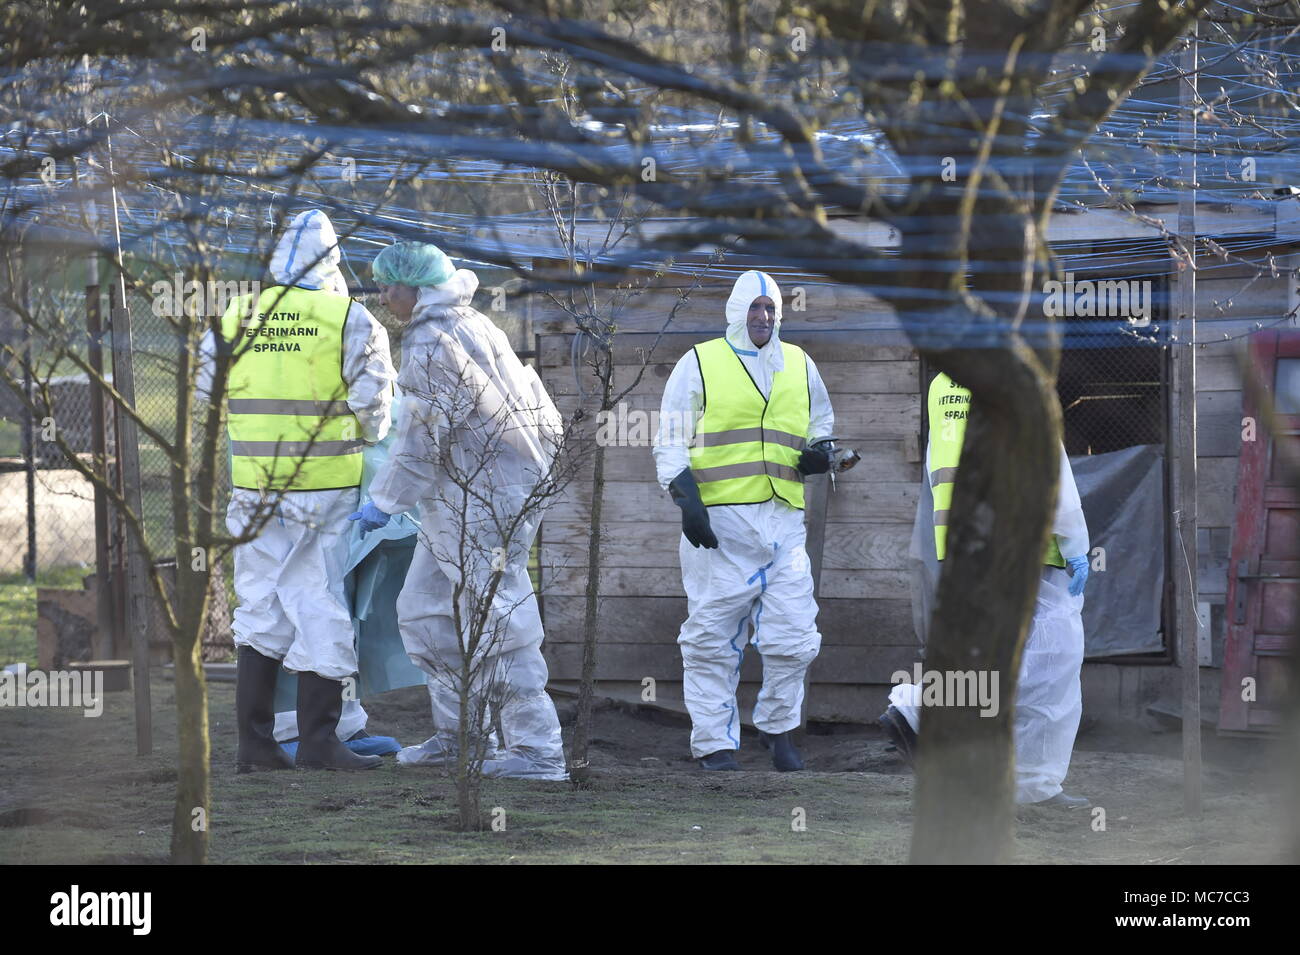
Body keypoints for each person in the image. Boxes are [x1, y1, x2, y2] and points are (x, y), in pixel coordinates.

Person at [352, 240, 567, 781]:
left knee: (501, 616)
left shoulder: (430, 339)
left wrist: (383, 502)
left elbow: (423, 438)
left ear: (416, 287)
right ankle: (462, 738)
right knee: (426, 609)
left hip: (481, 500)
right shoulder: (472, 323)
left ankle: (538, 752)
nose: (382, 296)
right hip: (475, 494)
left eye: (388, 285)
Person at [202, 209, 395, 772]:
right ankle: (319, 743)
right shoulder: (347, 318)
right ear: (333, 258)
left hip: (253, 490)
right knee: (319, 600)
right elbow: (376, 413)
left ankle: (255, 747)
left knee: (260, 604)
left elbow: (205, 393)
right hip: (322, 489)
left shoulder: (237, 313)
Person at [879, 371, 1091, 808]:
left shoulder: (945, 385)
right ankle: (1027, 778)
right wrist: (1075, 541)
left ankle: (924, 715)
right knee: (1053, 660)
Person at [652, 269, 835, 771]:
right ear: (737, 311)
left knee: (794, 637)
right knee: (712, 638)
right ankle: (715, 743)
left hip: (783, 521)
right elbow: (670, 435)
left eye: (771, 308)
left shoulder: (798, 364)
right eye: (754, 308)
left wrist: (820, 454)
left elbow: (820, 425)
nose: (763, 317)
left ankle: (778, 732)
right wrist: (686, 499)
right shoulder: (701, 363)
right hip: (722, 526)